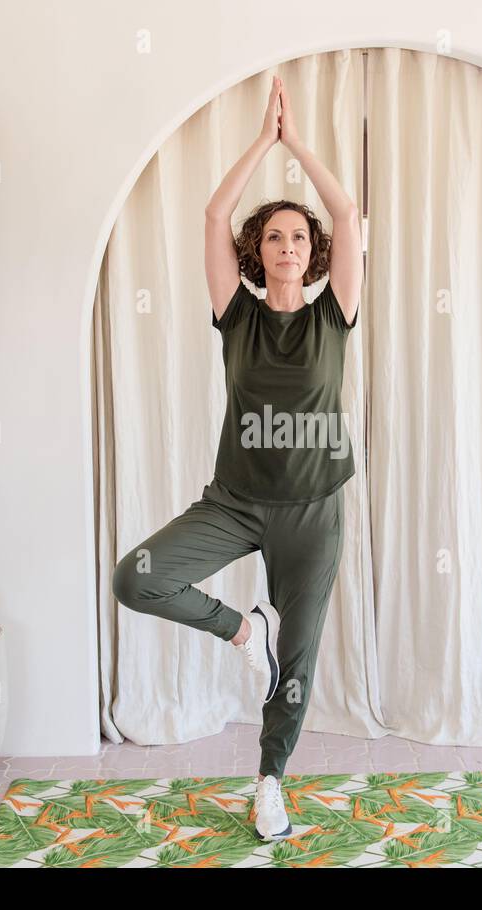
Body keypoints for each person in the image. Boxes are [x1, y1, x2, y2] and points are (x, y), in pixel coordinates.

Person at [112, 74, 363, 841]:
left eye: (298, 236)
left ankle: (270, 780)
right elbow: (215, 211)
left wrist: (299, 146)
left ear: (313, 252)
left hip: (314, 508)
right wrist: (263, 142)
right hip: (236, 499)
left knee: (300, 657)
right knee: (137, 577)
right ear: (256, 252)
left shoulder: (335, 313)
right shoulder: (237, 316)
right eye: (274, 236)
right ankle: (239, 629)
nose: (286, 245)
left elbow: (349, 210)